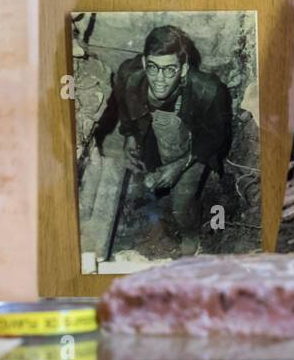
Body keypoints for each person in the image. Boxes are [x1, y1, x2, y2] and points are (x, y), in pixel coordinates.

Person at [93, 24, 232, 256]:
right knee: (152, 178)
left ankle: (191, 234)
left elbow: (216, 136)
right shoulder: (129, 75)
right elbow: (125, 106)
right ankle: (162, 219)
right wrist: (129, 136)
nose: (159, 79)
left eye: (170, 70)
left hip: (194, 146)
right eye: (153, 67)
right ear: (144, 62)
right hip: (154, 134)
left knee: (181, 206)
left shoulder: (209, 90)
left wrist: (179, 165)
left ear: (184, 69)